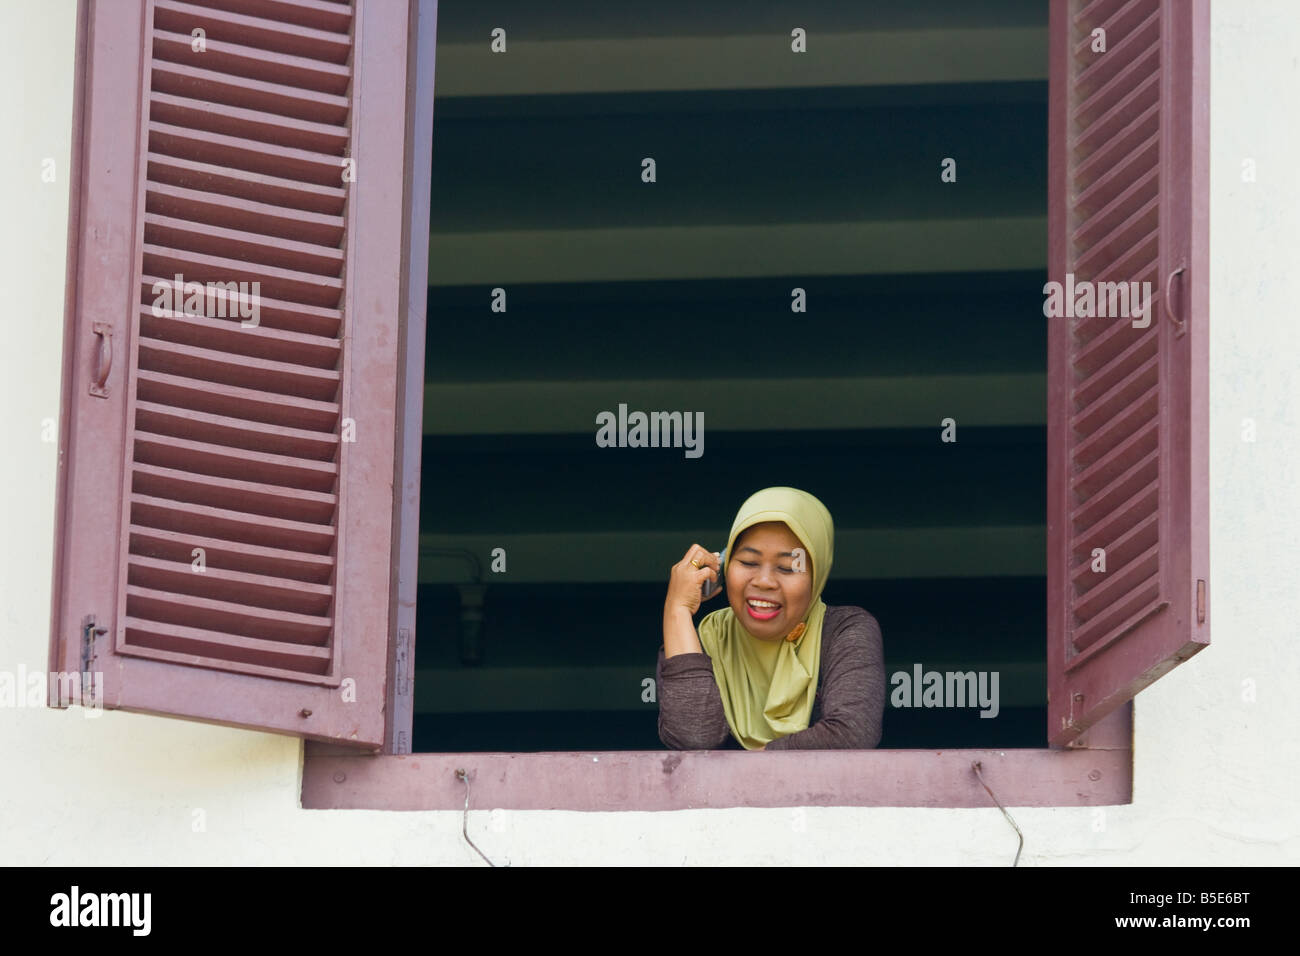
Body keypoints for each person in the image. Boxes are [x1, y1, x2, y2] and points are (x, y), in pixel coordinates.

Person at [657, 486, 885, 750]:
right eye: (748, 563)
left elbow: (851, 735)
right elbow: (694, 737)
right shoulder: (702, 641)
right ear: (725, 566)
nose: (764, 581)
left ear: (817, 576)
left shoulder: (844, 632)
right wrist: (677, 609)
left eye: (787, 568)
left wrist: (753, 768)